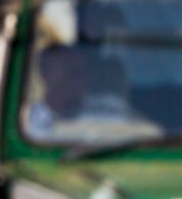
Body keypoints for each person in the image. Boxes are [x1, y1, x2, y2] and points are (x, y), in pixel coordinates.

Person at [25, 45, 158, 142]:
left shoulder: (108, 113)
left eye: (82, 73)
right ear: (45, 73)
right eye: (70, 71)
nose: (75, 80)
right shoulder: (24, 122)